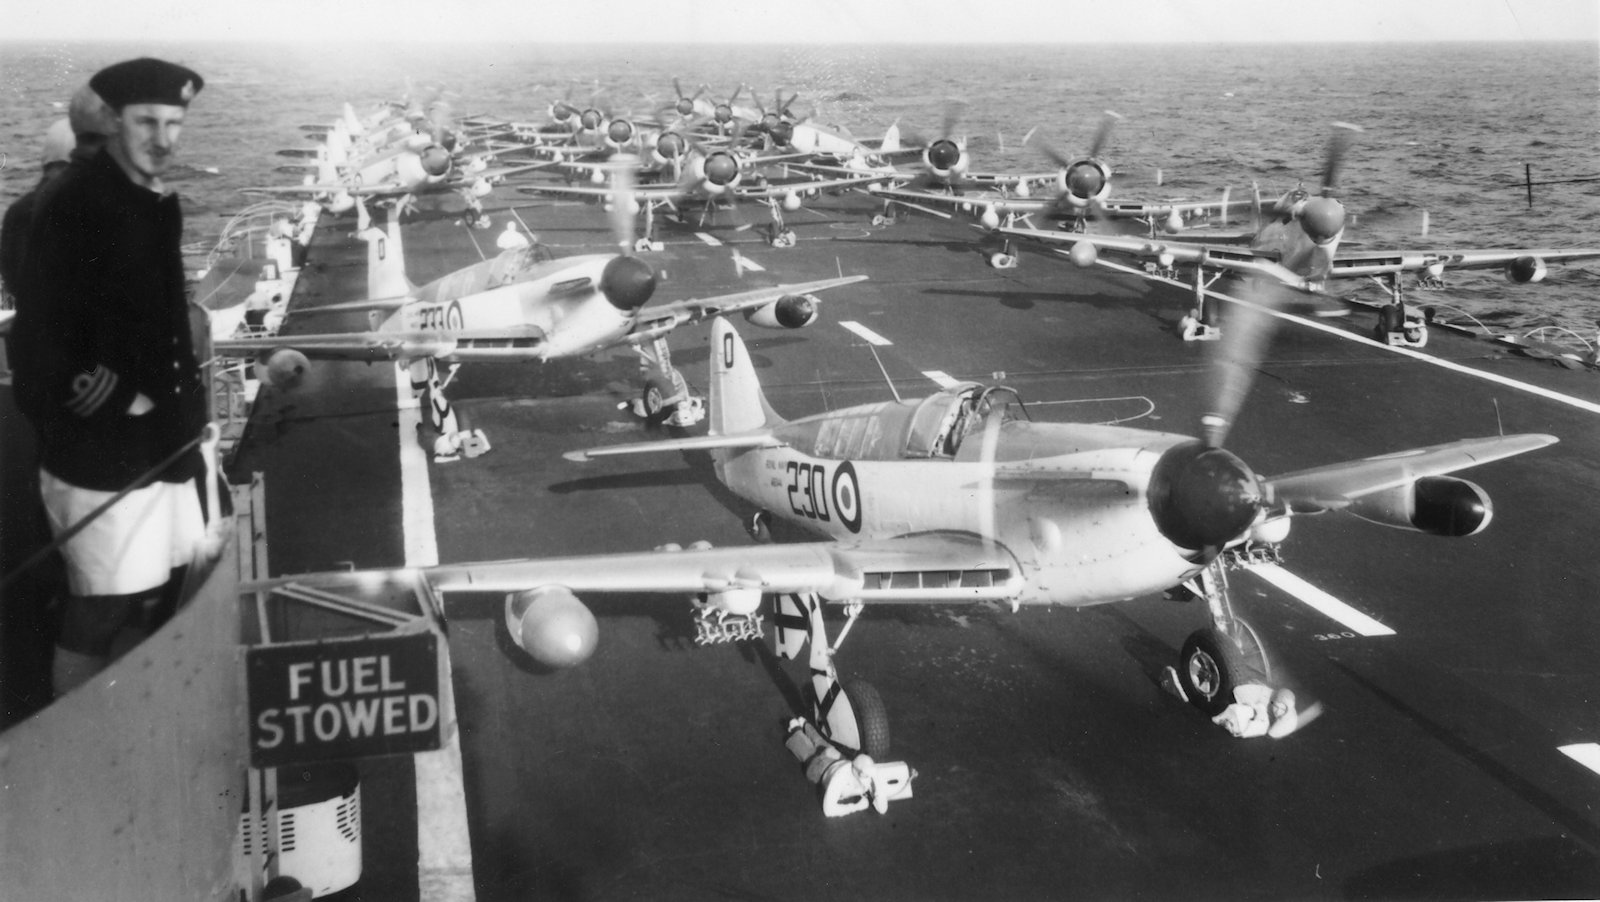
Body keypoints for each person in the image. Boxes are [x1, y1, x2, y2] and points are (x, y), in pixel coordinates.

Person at [11, 57, 210, 696]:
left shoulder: (145, 202)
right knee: (99, 605)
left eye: (172, 123)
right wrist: (122, 398)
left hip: (160, 444)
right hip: (103, 451)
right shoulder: (71, 204)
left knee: (151, 593)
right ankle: (76, 725)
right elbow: (44, 334)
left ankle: (123, 701)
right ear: (114, 126)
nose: (161, 138)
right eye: (143, 122)